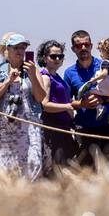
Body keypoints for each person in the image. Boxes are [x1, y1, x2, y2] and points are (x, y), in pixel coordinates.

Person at [0, 34, 49, 179]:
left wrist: (33, 76)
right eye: (16, 48)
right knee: (6, 168)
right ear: (8, 49)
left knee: (32, 164)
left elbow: (41, 98)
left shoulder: (34, 69)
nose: (20, 51)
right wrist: (8, 81)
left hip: (29, 128)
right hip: (5, 128)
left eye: (23, 47)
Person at [64, 30, 109, 169]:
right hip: (84, 127)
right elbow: (68, 103)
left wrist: (103, 100)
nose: (83, 48)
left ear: (91, 46)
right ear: (73, 49)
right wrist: (81, 103)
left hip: (107, 124)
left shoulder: (105, 64)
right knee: (87, 172)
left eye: (86, 44)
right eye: (79, 46)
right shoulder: (69, 73)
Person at [37, 40, 77, 168]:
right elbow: (44, 105)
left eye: (60, 56)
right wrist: (67, 107)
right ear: (44, 57)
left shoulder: (58, 77)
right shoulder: (45, 77)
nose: (57, 59)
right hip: (52, 130)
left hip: (64, 129)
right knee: (57, 169)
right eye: (53, 56)